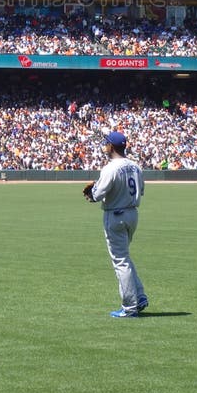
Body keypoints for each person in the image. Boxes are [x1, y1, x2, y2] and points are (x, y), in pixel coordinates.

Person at [83, 130, 148, 318]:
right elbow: (140, 191)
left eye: (106, 143)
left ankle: (129, 307)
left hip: (115, 215)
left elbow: (97, 194)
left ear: (111, 146)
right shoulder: (135, 166)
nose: (105, 146)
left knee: (120, 261)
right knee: (124, 258)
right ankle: (140, 296)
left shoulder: (110, 168)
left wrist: (92, 193)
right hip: (132, 214)